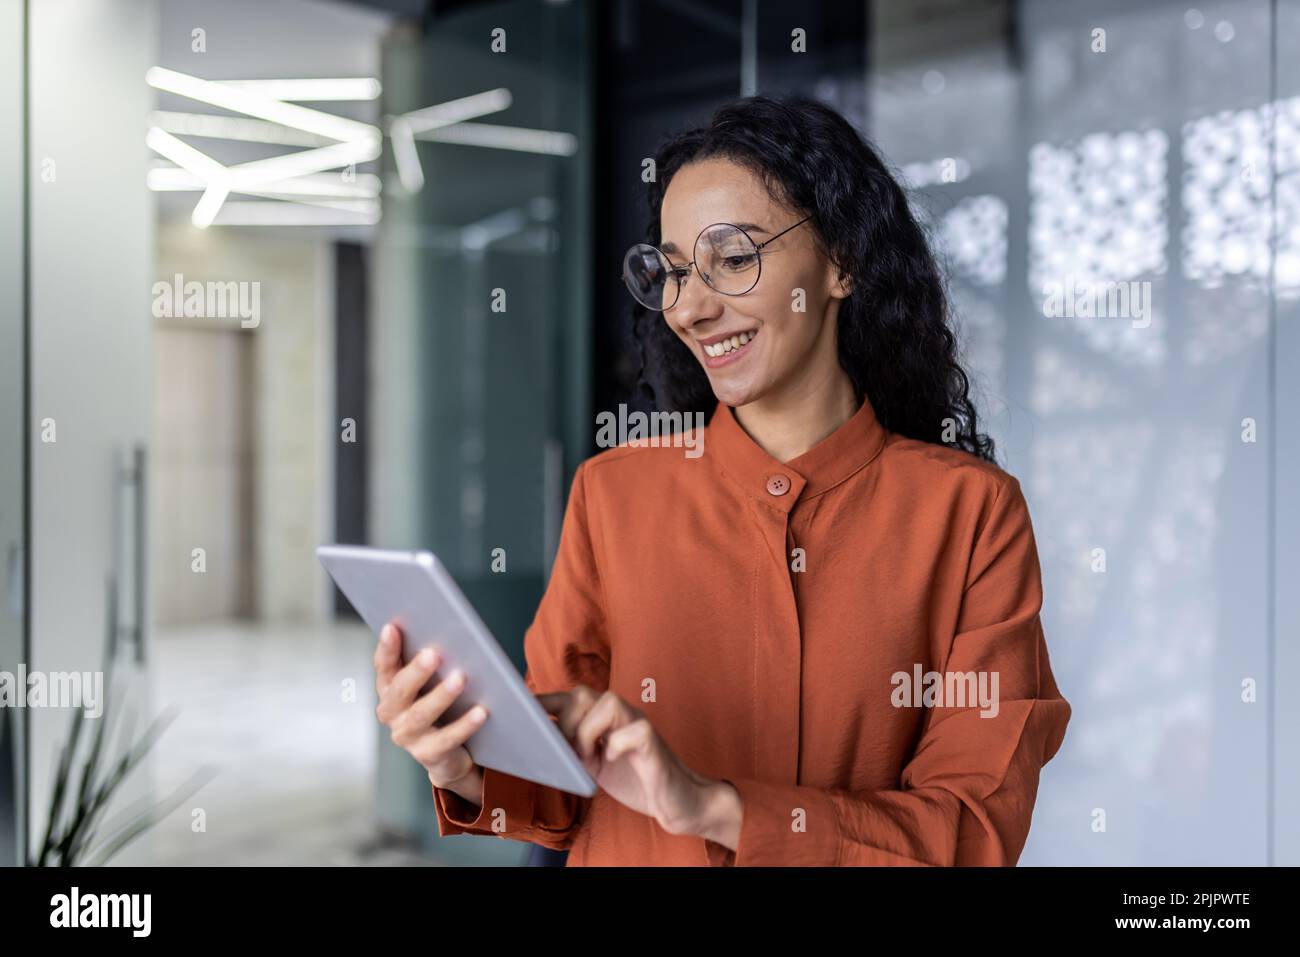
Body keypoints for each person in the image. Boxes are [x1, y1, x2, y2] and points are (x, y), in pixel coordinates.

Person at [373, 94, 1071, 866]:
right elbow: (560, 787)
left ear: (842, 260)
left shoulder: (970, 515)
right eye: (672, 273)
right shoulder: (612, 495)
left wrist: (718, 808)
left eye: (733, 258)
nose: (693, 307)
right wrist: (465, 766)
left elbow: (973, 830)